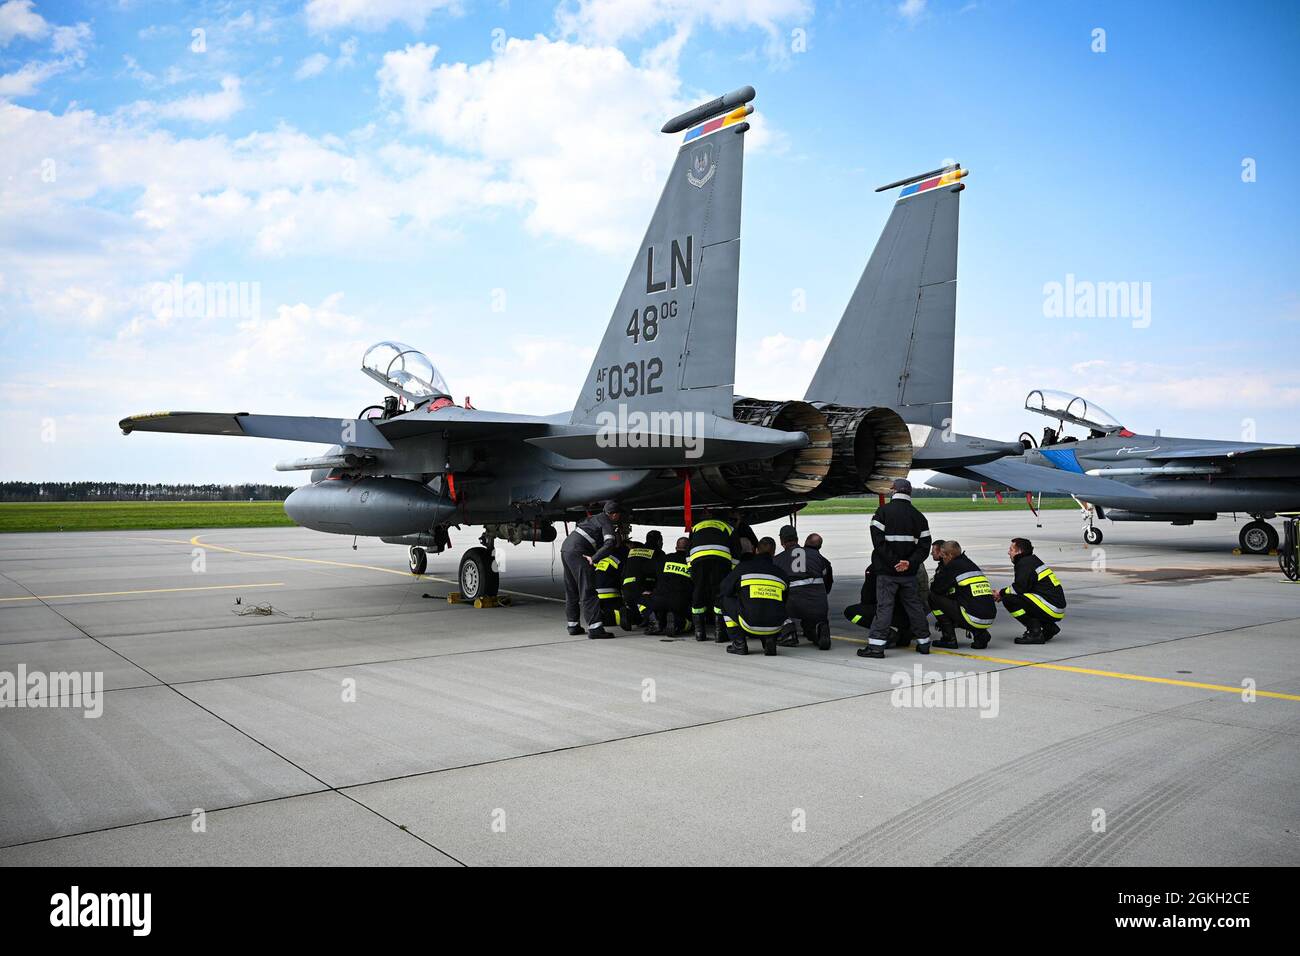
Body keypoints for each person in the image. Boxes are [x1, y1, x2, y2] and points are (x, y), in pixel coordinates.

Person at [858, 478, 932, 659]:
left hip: (887, 572)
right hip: (908, 573)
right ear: (910, 493)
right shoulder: (919, 517)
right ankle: (924, 643)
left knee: (884, 607)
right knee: (914, 606)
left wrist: (894, 562)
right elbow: (924, 546)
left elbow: (879, 543)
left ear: (893, 490)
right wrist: (909, 562)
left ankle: (876, 647)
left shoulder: (882, 512)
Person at [560, 500, 622, 639]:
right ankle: (595, 629)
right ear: (614, 515)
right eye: (619, 515)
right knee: (588, 590)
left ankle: (573, 625)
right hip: (579, 552)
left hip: (566, 549)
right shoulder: (606, 521)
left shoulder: (594, 518)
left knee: (571, 590)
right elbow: (610, 543)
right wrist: (594, 558)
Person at [718, 537, 788, 656]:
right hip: (775, 625)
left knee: (723, 599)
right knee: (773, 604)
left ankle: (739, 643)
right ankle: (769, 639)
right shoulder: (781, 573)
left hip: (748, 624)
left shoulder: (743, 568)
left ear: (756, 550)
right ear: (774, 553)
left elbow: (725, 589)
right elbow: (784, 601)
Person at [996, 537, 1066, 644]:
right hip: (1055, 606)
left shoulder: (1025, 564)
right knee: (1026, 600)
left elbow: (1018, 588)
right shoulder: (1031, 561)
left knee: (1009, 600)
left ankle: (1034, 633)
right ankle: (1049, 627)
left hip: (1050, 606)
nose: (1008, 552)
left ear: (1019, 551)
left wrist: (1000, 593)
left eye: (1011, 550)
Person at [929, 540, 997, 649]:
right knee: (966, 600)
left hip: (973, 617)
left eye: (943, 556)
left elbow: (937, 589)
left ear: (950, 555)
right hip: (990, 616)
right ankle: (980, 634)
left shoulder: (952, 567)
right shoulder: (969, 564)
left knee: (933, 597)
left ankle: (949, 638)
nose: (943, 559)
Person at [773, 529, 834, 650]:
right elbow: (828, 578)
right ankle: (820, 627)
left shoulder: (777, 560)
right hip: (818, 603)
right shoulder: (817, 556)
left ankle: (788, 633)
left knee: (775, 603)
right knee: (812, 622)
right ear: (797, 539)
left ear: (781, 541)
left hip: (793, 605)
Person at [687, 509, 736, 642]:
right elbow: (736, 549)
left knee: (699, 592)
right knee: (719, 593)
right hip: (720, 561)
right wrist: (733, 570)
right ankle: (719, 632)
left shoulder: (696, 527)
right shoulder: (728, 527)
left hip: (698, 560)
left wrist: (691, 568)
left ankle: (699, 633)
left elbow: (688, 548)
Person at [642, 537, 694, 636]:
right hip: (680, 601)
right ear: (690, 549)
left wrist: (651, 591)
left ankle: (657, 623)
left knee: (644, 599)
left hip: (659, 599)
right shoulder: (693, 562)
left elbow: (652, 573)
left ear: (676, 548)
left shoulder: (664, 559)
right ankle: (679, 623)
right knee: (690, 624)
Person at [620, 530, 664, 627]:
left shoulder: (633, 551)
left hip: (627, 587)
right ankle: (653, 621)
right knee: (653, 606)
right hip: (643, 587)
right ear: (659, 541)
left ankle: (629, 615)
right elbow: (661, 573)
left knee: (637, 614)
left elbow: (623, 571)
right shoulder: (658, 553)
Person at [592, 534, 632, 631]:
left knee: (600, 617)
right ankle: (625, 615)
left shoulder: (603, 554)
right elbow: (623, 576)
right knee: (629, 613)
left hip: (595, 593)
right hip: (610, 593)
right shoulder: (622, 555)